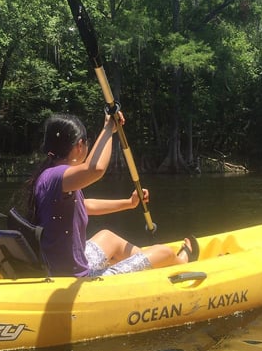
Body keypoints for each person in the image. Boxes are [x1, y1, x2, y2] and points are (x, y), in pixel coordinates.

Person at [18, 110, 198, 277]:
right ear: (80, 145)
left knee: (108, 237)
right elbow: (95, 168)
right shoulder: (58, 176)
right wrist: (108, 129)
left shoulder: (50, 174)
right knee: (164, 251)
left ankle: (152, 264)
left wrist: (129, 203)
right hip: (76, 278)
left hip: (64, 265)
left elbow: (85, 205)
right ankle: (179, 261)